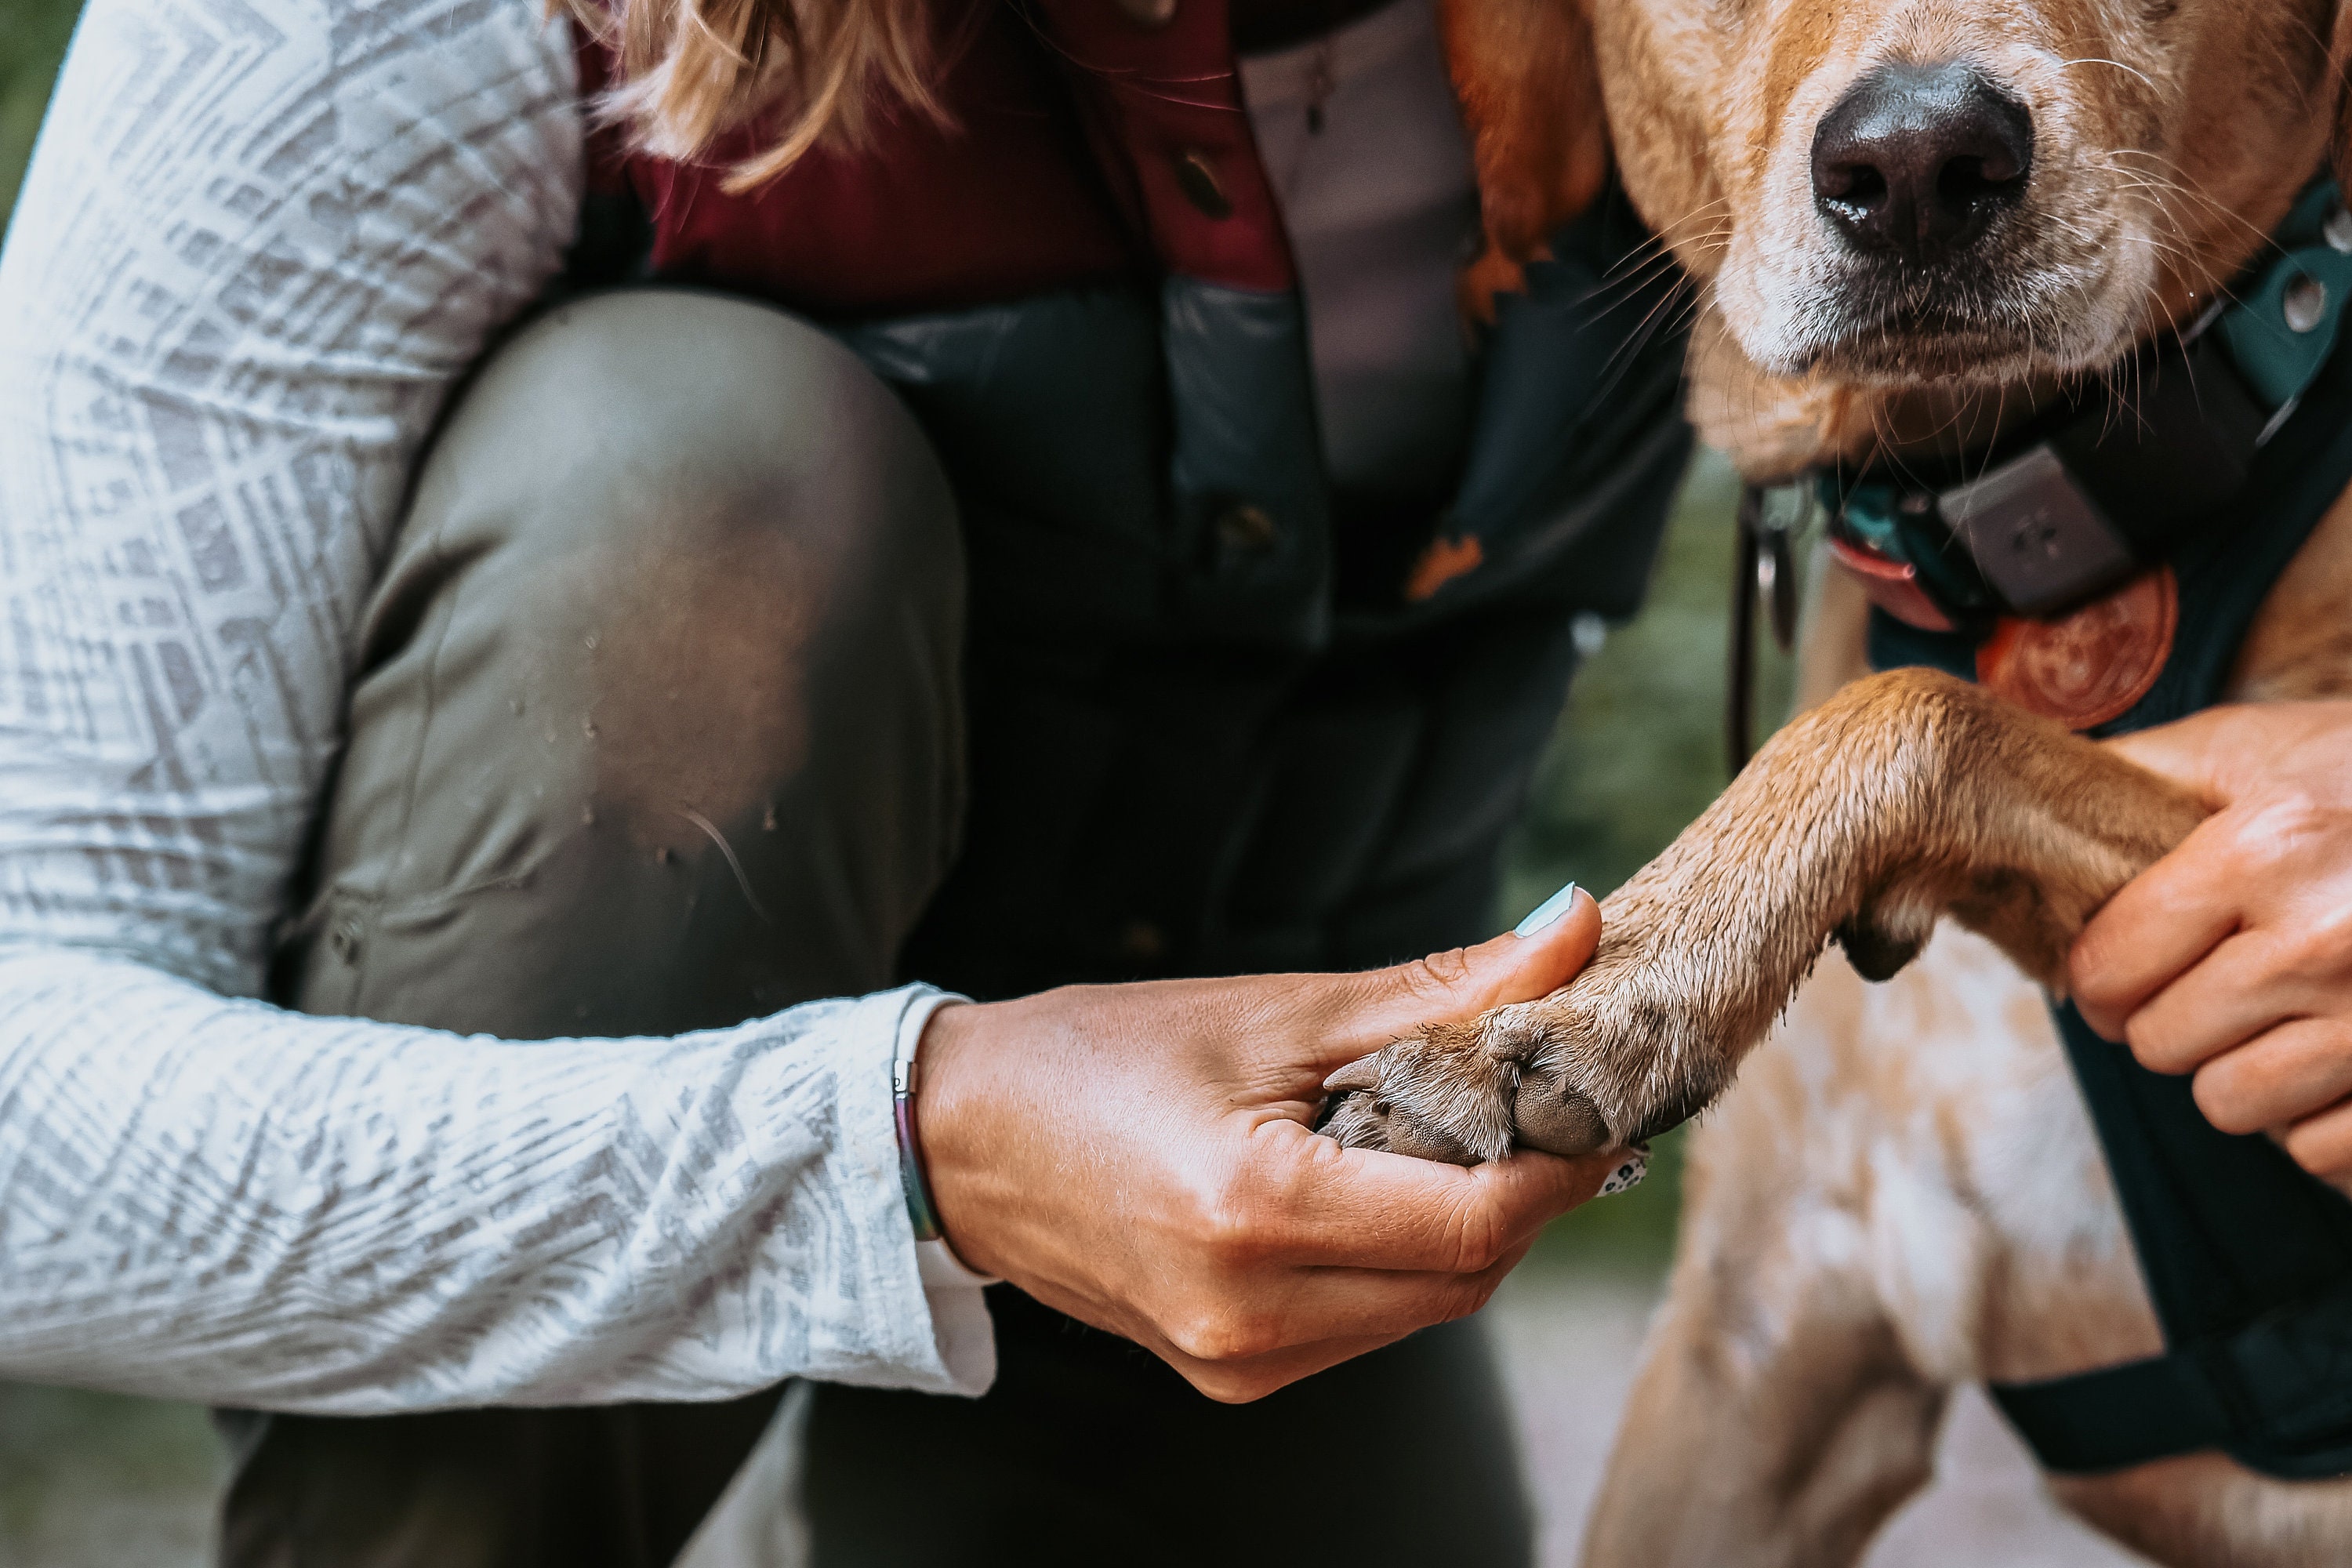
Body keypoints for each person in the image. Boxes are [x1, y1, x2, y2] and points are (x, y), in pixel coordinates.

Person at [0, 0, 1692, 1562]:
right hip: (689, 1078)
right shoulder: (366, 34)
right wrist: (911, 1154)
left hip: (1310, 1111)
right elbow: (29, 1143)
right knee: (699, 480)